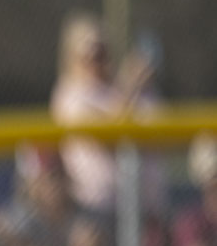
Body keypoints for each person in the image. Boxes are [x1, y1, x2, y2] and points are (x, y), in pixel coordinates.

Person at [50, 12, 163, 214]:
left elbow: (158, 129)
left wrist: (135, 89)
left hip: (142, 203)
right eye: (91, 53)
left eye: (103, 51)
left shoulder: (117, 89)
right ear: (72, 56)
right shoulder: (70, 95)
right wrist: (131, 88)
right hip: (97, 207)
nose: (98, 59)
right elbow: (106, 139)